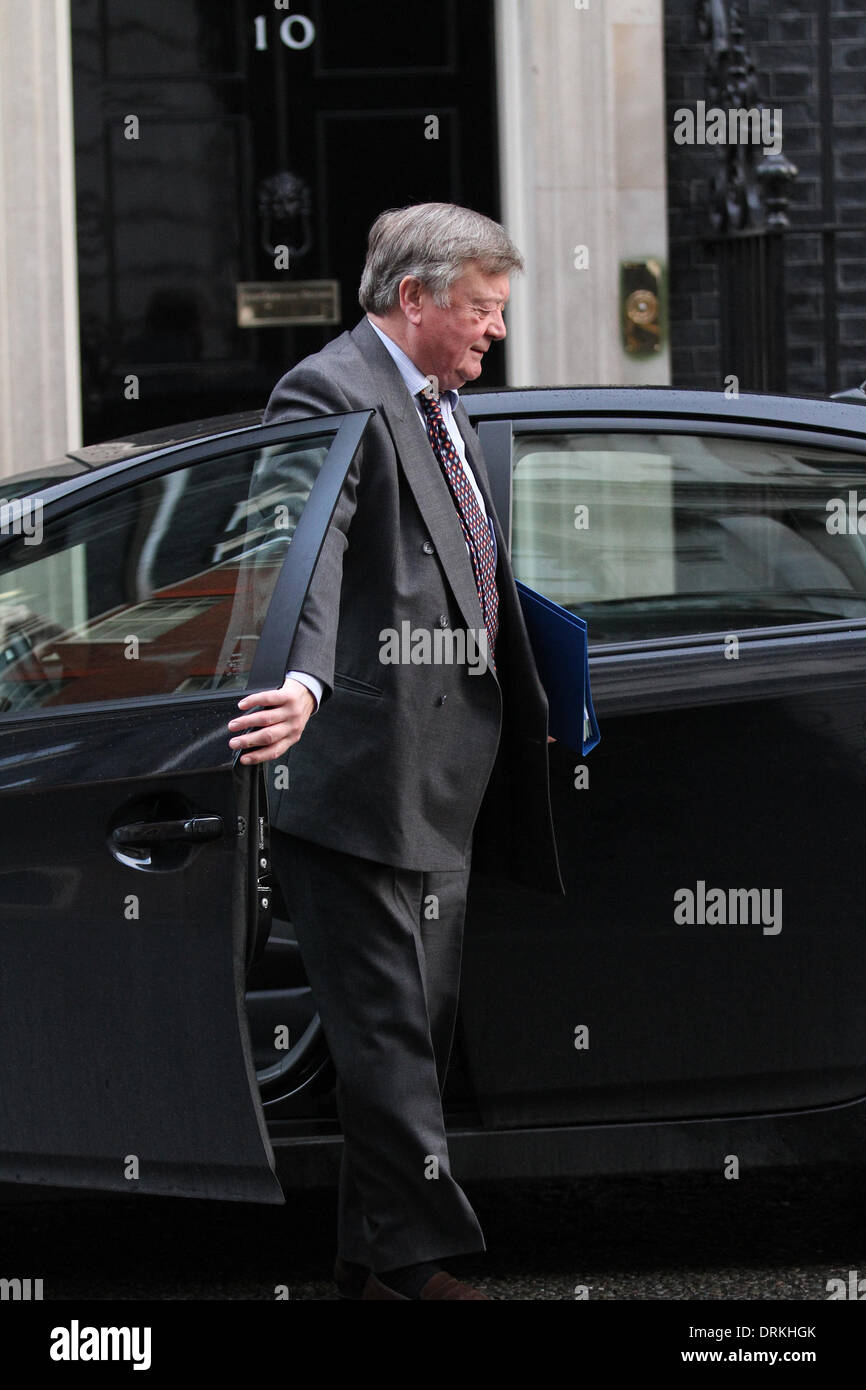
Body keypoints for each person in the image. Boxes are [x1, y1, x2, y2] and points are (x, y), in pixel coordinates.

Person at [227, 202, 563, 1301]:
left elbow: (464, 567)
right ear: (411, 299)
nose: (492, 332)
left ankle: (367, 1267)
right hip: (359, 777)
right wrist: (297, 675)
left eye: (498, 310)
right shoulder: (328, 391)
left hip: (442, 780)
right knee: (389, 1043)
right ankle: (422, 1266)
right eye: (478, 308)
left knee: (414, 1025)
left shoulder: (441, 401)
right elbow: (293, 539)